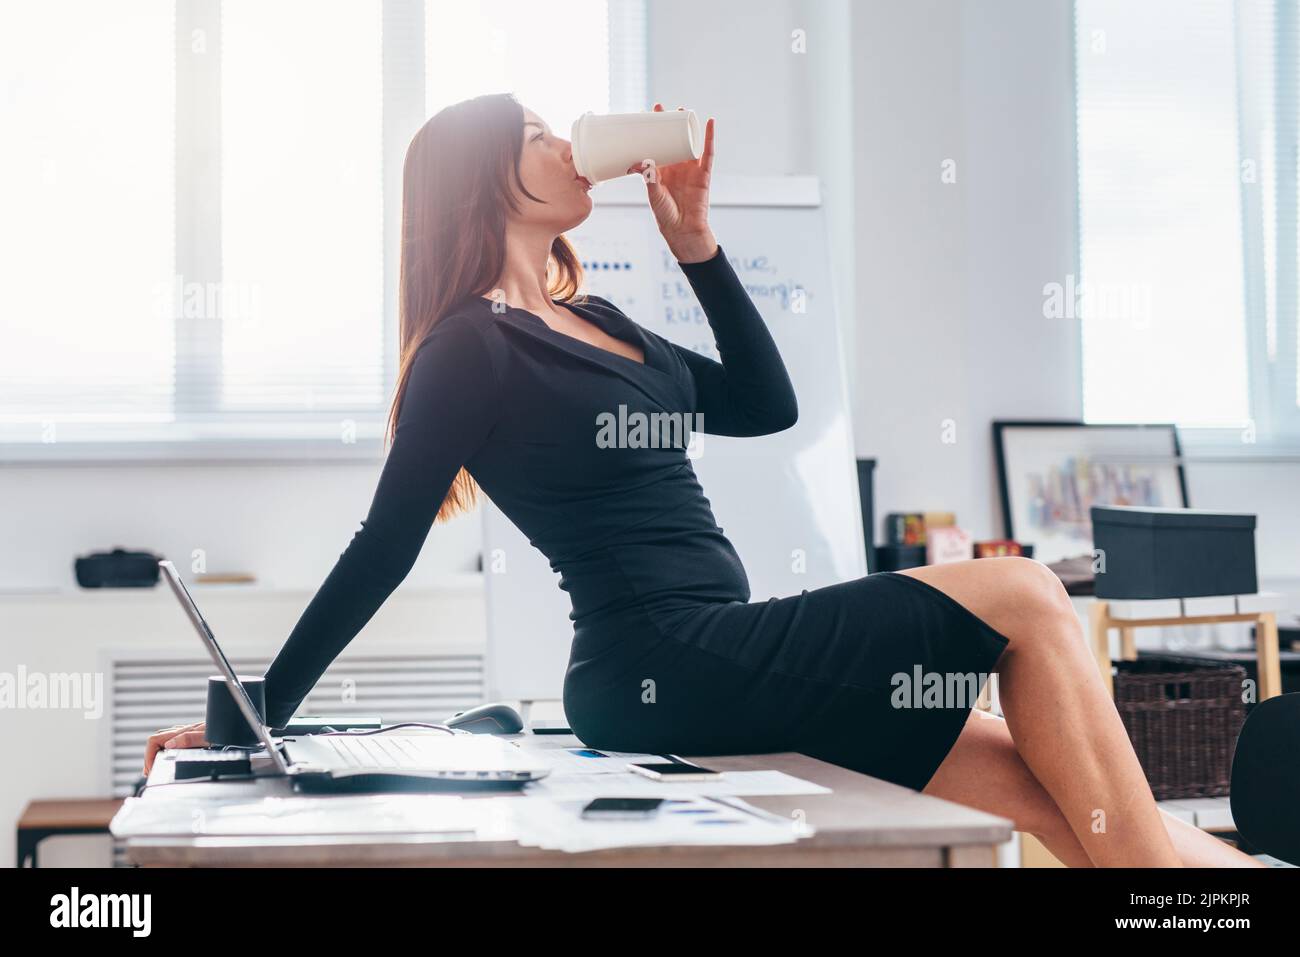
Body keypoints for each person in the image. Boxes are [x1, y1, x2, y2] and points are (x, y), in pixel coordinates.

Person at [145, 93, 1261, 867]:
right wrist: (251, 720)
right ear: (479, 176)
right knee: (1022, 596)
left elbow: (764, 407)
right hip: (658, 663)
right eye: (533, 132)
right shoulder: (467, 346)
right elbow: (382, 547)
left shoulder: (597, 319)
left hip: (728, 647)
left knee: (1049, 786)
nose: (563, 143)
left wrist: (697, 246)